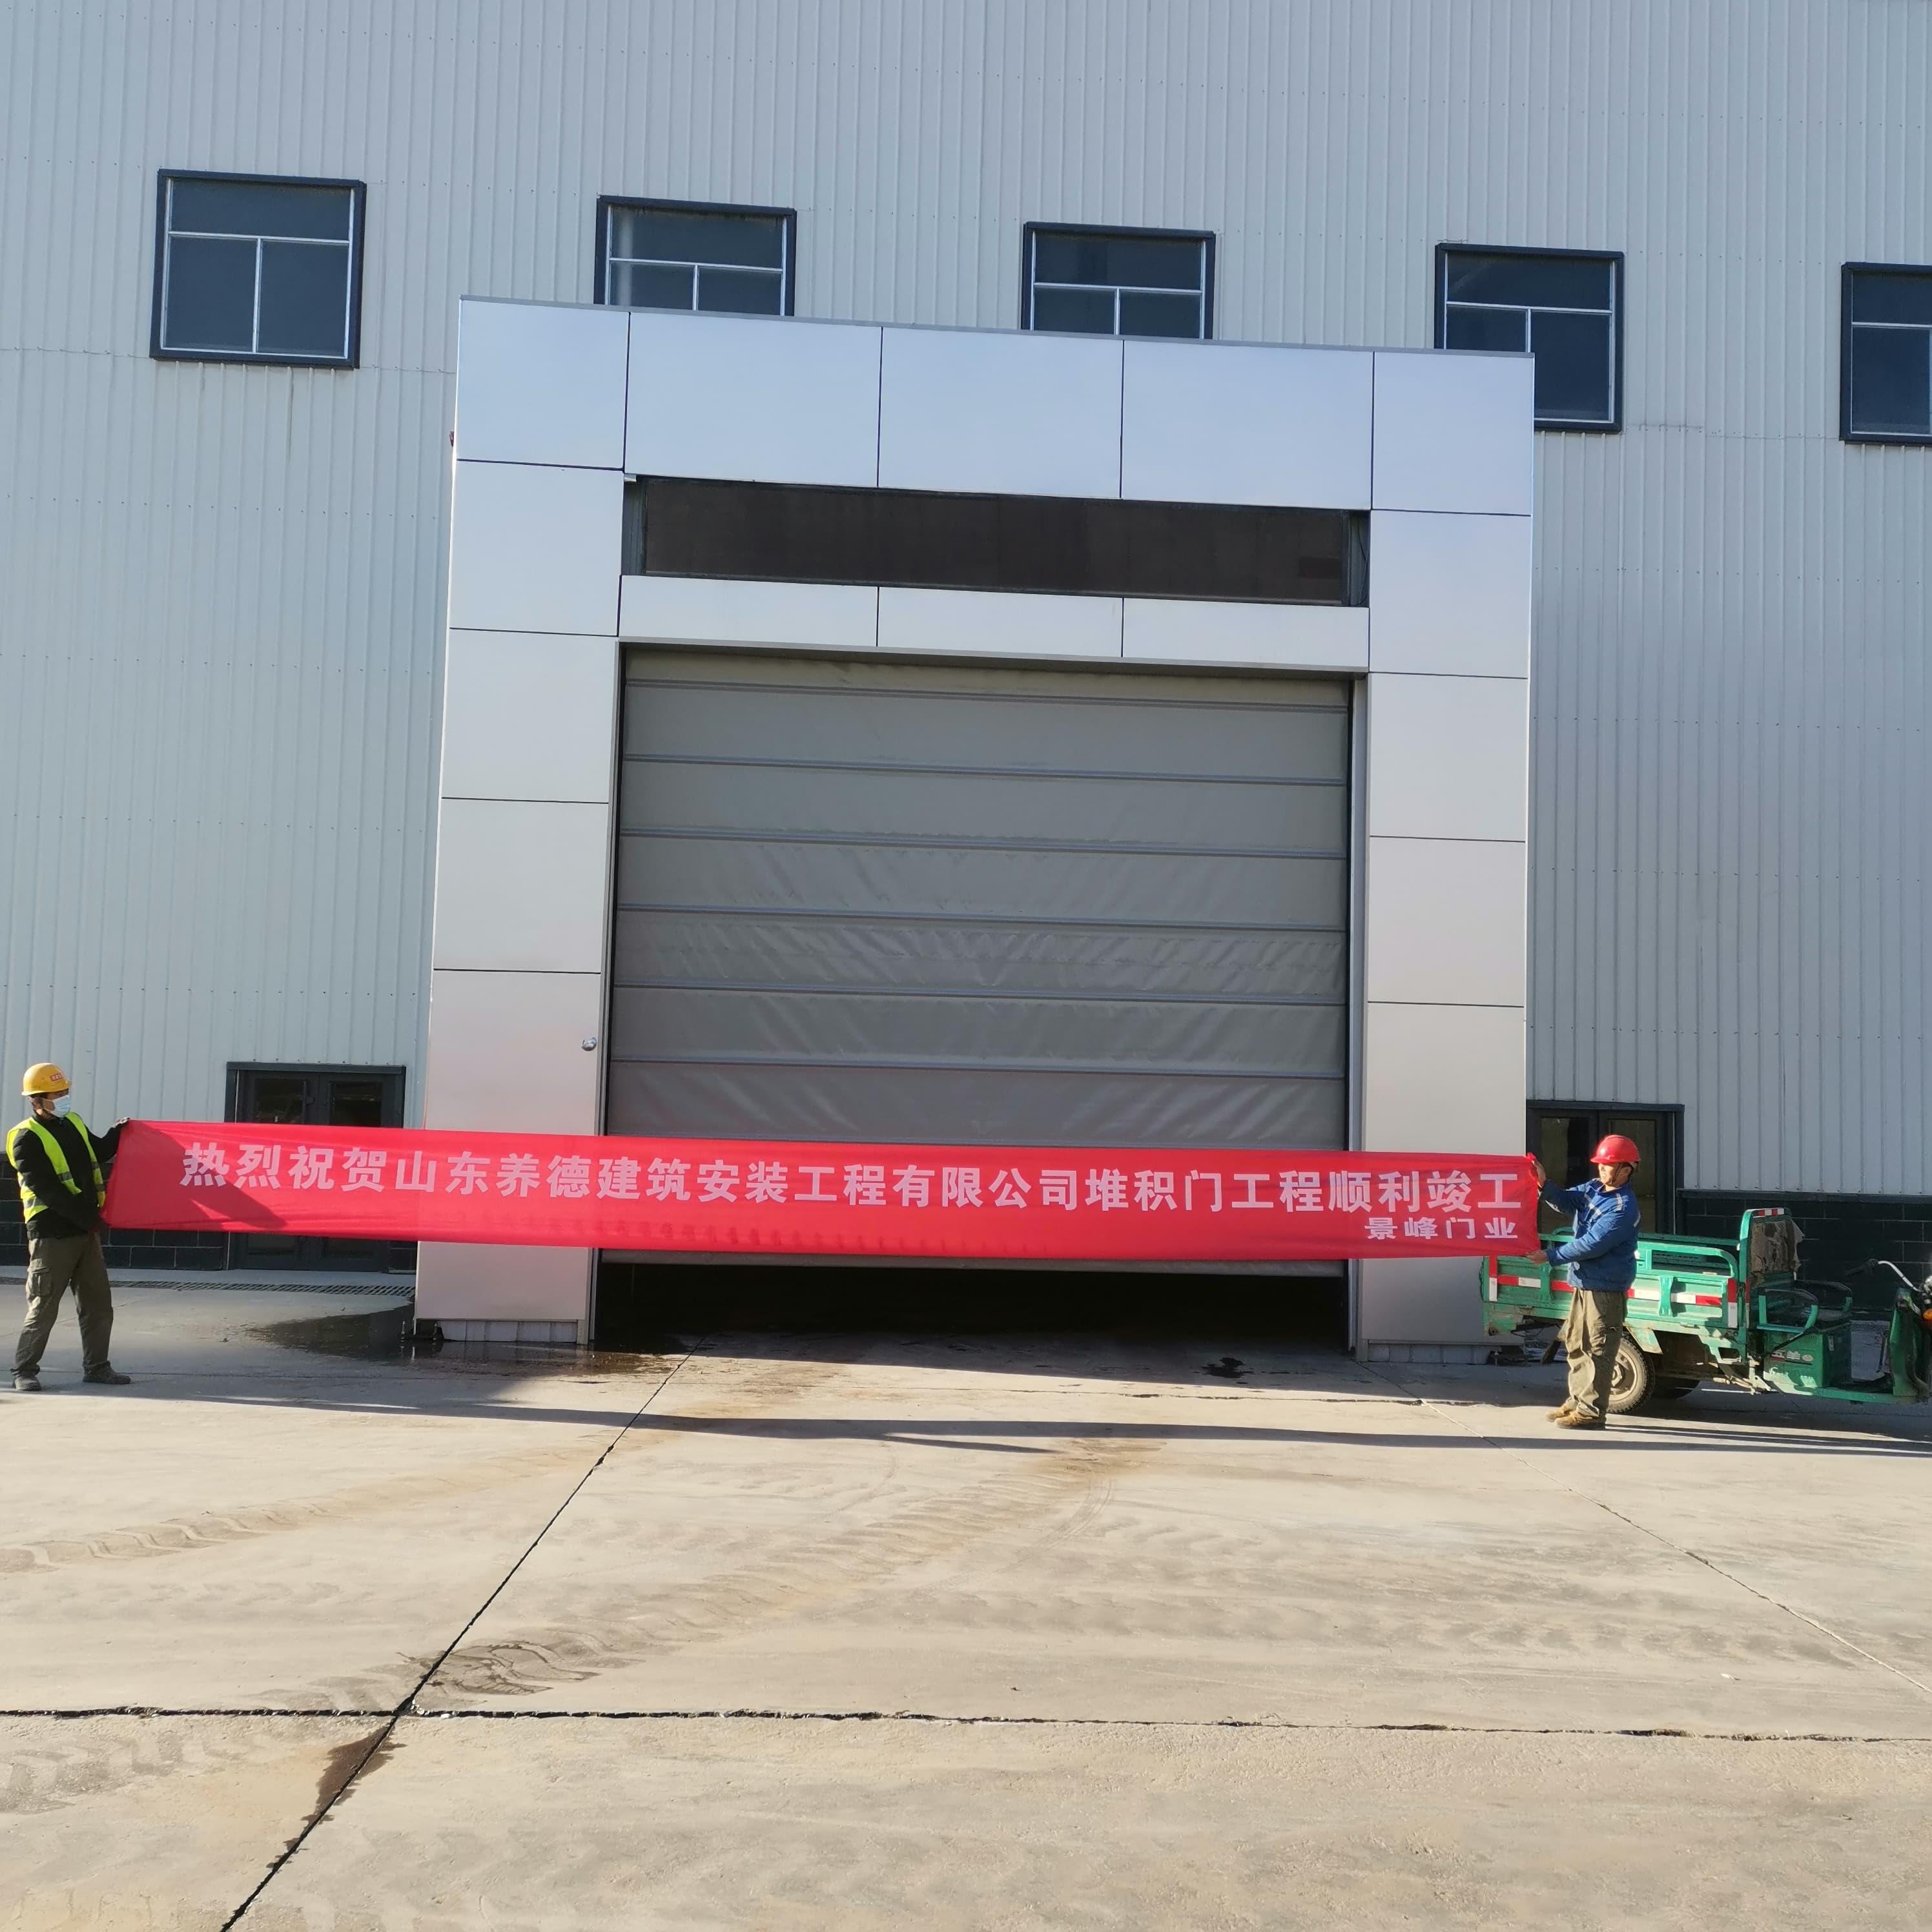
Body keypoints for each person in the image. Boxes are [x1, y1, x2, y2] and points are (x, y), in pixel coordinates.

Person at [8, 1064, 131, 1392]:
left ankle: (98, 1367)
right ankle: (24, 1370)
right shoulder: (25, 1138)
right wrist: (90, 1220)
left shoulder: (73, 1122)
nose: (64, 1098)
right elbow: (49, 1191)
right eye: (57, 1094)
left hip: (85, 1230)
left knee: (97, 1304)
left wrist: (118, 1132)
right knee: (44, 1304)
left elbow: (99, 1151)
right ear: (37, 1100)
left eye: (65, 1091)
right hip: (52, 1234)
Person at [1531, 1135, 1641, 1430]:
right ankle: (1577, 1400)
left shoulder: (1623, 1208)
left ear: (1627, 1170)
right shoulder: (1594, 1188)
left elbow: (1592, 1245)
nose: (1602, 1170)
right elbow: (1567, 1201)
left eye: (1609, 1165)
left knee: (1598, 1348)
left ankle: (1591, 1412)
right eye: (1601, 1165)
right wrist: (1544, 1184)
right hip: (1584, 1282)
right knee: (1576, 1343)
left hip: (1605, 1288)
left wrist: (1550, 1256)